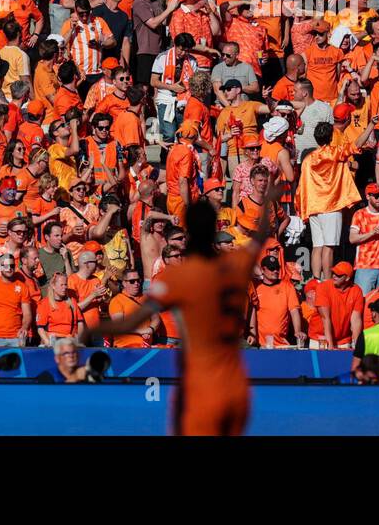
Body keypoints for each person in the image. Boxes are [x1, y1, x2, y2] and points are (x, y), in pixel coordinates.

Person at [85, 182, 275, 435]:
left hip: (199, 383)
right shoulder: (236, 265)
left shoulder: (179, 277)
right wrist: (269, 201)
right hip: (233, 383)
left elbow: (133, 321)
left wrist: (90, 331)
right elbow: (259, 238)